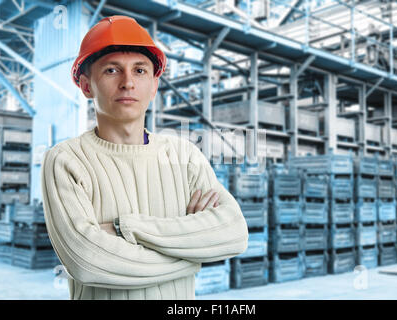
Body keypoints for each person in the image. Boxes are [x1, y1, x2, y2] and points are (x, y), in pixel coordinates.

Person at [41, 15, 248, 300]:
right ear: (87, 86)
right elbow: (87, 262)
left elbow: (233, 233)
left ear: (154, 85)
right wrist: (191, 256)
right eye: (112, 70)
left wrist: (123, 227)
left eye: (140, 71)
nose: (128, 82)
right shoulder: (66, 161)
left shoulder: (183, 155)